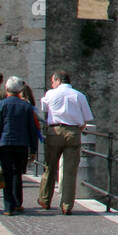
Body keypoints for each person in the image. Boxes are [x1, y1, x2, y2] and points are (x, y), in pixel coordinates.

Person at [38, 70, 93, 215]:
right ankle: (67, 205)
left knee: (49, 166)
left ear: (57, 80)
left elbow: (44, 108)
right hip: (73, 132)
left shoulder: (51, 94)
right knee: (70, 170)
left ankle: (45, 199)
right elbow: (87, 117)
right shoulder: (79, 95)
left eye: (52, 81)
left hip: (54, 131)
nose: (52, 84)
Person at [0, 78, 40, 216]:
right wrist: (33, 149)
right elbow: (32, 129)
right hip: (21, 144)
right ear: (19, 91)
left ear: (7, 89)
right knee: (17, 173)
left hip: (4, 144)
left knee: (7, 174)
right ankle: (18, 203)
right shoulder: (26, 106)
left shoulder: (0, 105)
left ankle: (8, 207)